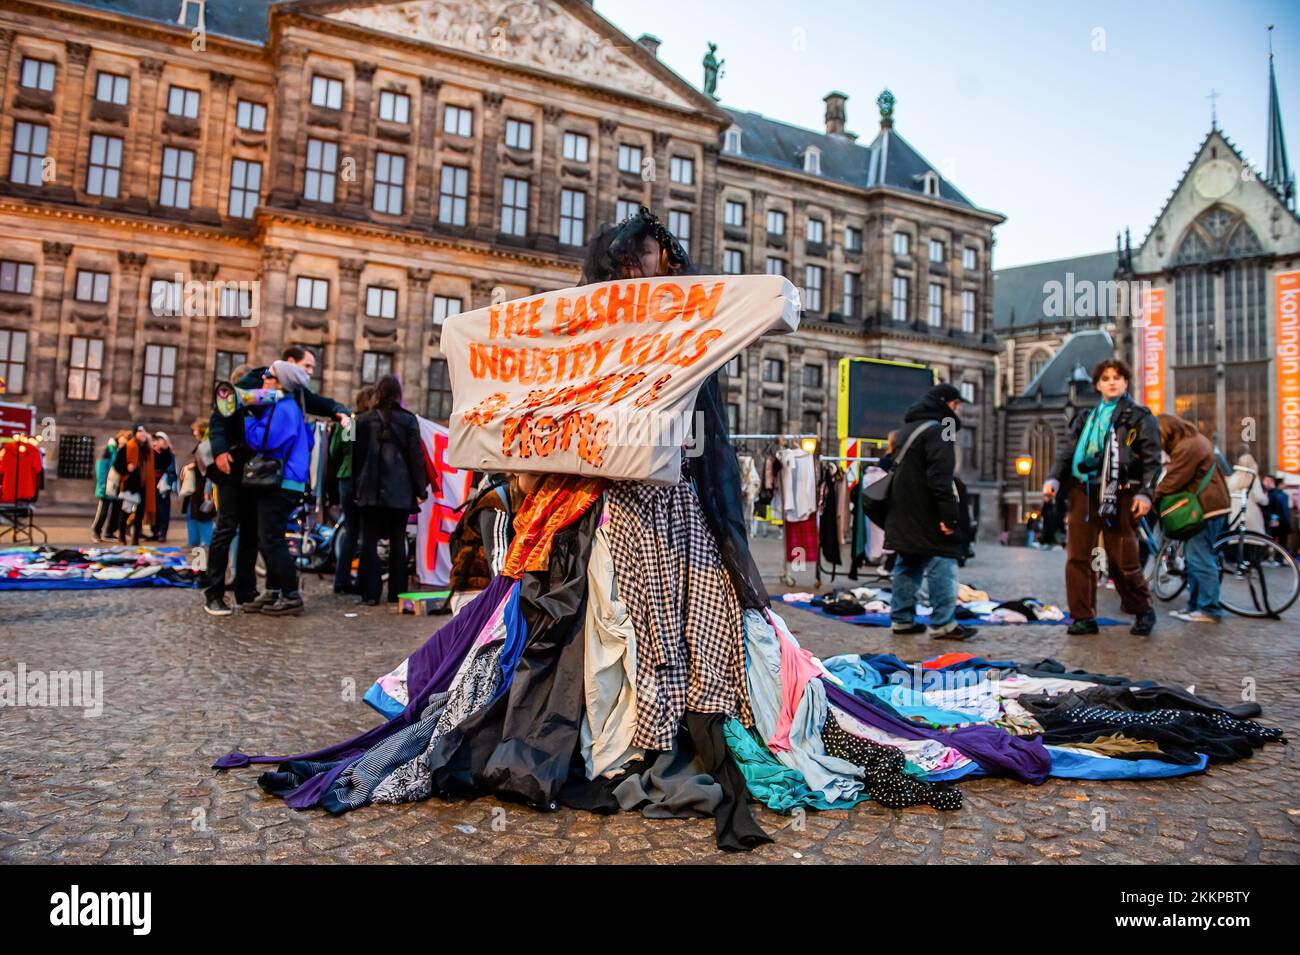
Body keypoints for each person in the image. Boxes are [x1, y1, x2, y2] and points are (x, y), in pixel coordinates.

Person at [203, 346, 349, 616]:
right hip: (235, 466)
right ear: (290, 364)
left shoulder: (290, 395)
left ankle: (249, 592)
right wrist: (220, 449)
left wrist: (339, 411)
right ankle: (214, 594)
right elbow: (219, 415)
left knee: (253, 534)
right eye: (306, 366)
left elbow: (319, 403)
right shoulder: (257, 382)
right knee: (227, 529)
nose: (309, 373)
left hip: (261, 474)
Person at [1042, 358, 1160, 636]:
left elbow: (1153, 463)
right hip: (1083, 490)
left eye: (1117, 377)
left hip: (1120, 491)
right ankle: (1083, 617)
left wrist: (1146, 494)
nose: (1111, 382)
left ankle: (1142, 609)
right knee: (1078, 557)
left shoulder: (1140, 417)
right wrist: (1053, 478)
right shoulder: (1085, 418)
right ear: (1097, 385)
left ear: (1126, 382)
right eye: (1105, 378)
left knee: (1122, 558)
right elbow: (1067, 452)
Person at [883, 383, 977, 641]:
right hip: (927, 510)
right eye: (956, 405)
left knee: (908, 562)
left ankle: (901, 620)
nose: (957, 411)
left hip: (902, 508)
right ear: (946, 403)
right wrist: (949, 516)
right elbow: (941, 476)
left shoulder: (907, 428)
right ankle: (943, 623)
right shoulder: (942, 428)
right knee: (943, 561)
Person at [240, 360, 318, 616]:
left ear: (280, 383)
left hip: (281, 481)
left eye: (268, 375)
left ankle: (291, 594)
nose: (263, 379)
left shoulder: (284, 408)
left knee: (271, 539)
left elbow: (262, 439)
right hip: (287, 480)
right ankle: (274, 591)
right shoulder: (288, 406)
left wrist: (248, 417)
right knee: (269, 537)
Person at [352, 375, 430, 605]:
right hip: (400, 492)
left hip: (370, 490)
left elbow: (356, 458)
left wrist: (356, 487)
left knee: (368, 541)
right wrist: (420, 489)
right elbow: (416, 458)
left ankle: (370, 593)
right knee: (398, 542)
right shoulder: (408, 421)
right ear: (399, 395)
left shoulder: (362, 420)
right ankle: (397, 593)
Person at [1155, 414, 1231, 622]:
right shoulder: (1194, 441)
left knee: (1200, 558)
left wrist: (1152, 495)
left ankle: (1209, 609)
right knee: (1195, 559)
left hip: (1206, 508)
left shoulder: (1188, 446)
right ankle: (1195, 606)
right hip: (1211, 506)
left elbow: (1175, 479)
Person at [331, 386, 375, 594]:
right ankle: (360, 582)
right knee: (365, 533)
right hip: (362, 481)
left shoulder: (349, 421)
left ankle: (341, 580)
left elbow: (334, 451)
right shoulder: (370, 422)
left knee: (350, 530)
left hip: (344, 479)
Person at [113, 424, 156, 546]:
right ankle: (122, 536)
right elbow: (117, 464)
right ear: (135, 433)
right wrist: (127, 468)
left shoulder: (148, 449)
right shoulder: (128, 447)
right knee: (126, 511)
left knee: (139, 514)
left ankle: (135, 538)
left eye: (144, 432)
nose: (143, 434)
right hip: (130, 485)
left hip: (143, 486)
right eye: (140, 432)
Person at [181, 419, 216, 550]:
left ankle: (207, 543)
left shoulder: (207, 445)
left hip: (203, 485)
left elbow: (209, 469)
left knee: (203, 515)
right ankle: (194, 541)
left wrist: (207, 490)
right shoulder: (203, 444)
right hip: (197, 485)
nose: (194, 432)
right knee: (193, 514)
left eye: (195, 429)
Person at [91, 431, 127, 543]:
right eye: (124, 438)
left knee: (116, 510)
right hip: (107, 485)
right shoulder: (108, 450)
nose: (125, 441)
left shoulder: (123, 451)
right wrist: (102, 484)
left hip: (117, 486)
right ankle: (96, 531)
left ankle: (110, 532)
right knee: (103, 510)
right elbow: (101, 468)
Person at [1227, 453, 1269, 535]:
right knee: (1254, 540)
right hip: (1251, 514)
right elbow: (1259, 498)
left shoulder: (1233, 478)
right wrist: (1266, 499)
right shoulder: (1253, 477)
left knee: (1235, 540)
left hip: (1234, 514)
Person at [150, 432, 177, 542]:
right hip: (152, 483)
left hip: (163, 485)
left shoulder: (168, 453)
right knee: (154, 508)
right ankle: (155, 531)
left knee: (163, 509)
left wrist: (165, 450)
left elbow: (169, 467)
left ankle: (162, 532)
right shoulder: (152, 452)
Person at [1262, 474, 1293, 555]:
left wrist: (1275, 519)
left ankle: (1276, 558)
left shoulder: (1276, 494)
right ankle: (1277, 558)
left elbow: (1277, 508)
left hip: (1279, 520)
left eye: (1270, 481)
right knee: (1278, 540)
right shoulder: (1277, 494)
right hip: (1279, 520)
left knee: (1276, 540)